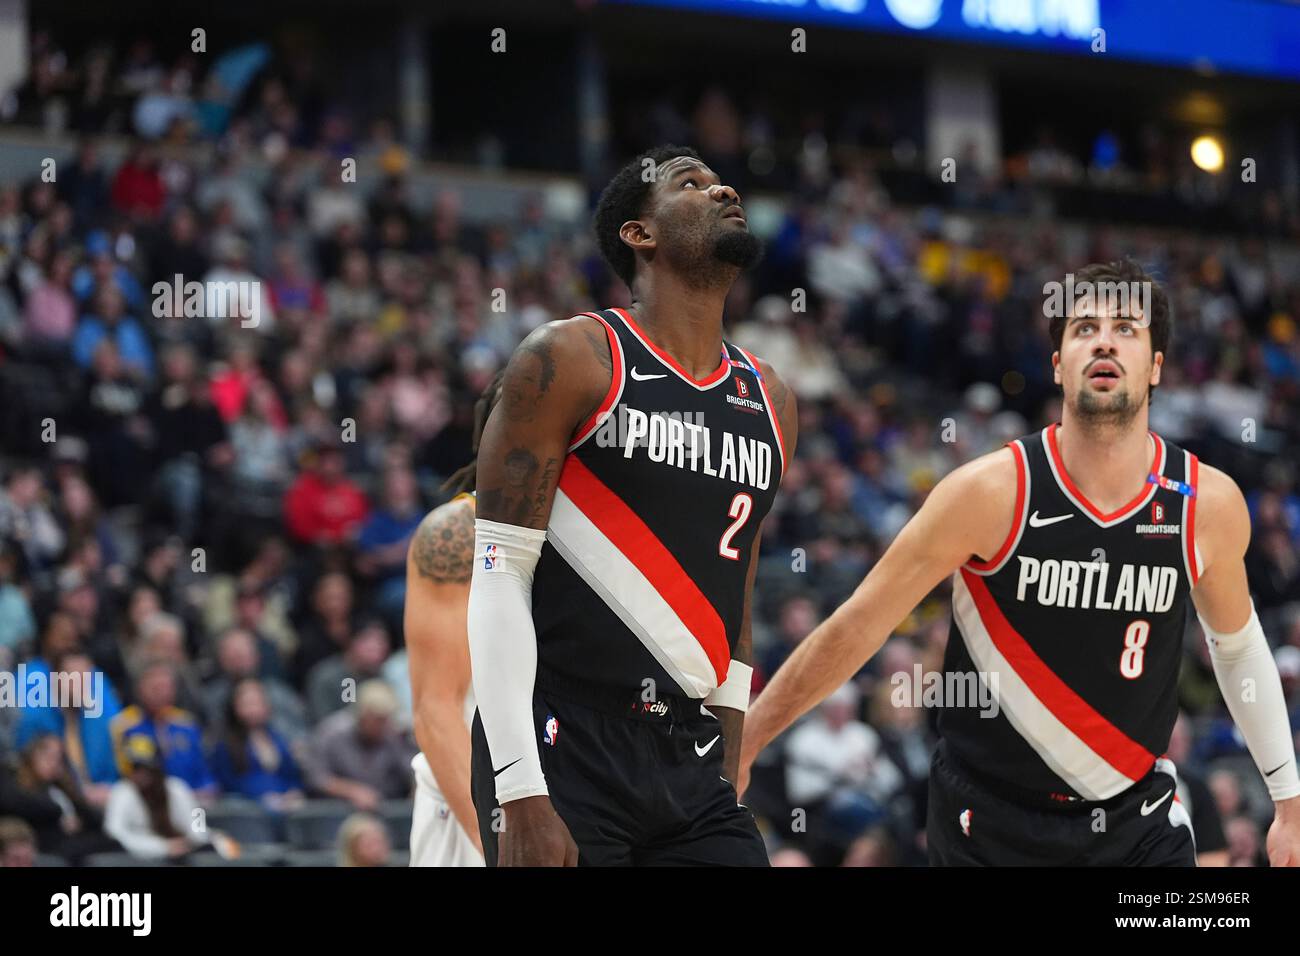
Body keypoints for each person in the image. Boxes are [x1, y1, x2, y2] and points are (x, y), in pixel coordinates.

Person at [739, 259, 1300, 867]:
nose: (1105, 339)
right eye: (1084, 327)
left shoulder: (1204, 503)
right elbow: (860, 624)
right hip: (990, 826)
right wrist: (747, 740)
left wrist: (1289, 802)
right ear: (1057, 364)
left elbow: (1238, 649)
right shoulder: (989, 493)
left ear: (1157, 365)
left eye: (1127, 329)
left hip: (1134, 825)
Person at [468, 145, 797, 866]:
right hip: (562, 740)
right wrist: (520, 792)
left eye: (721, 181)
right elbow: (497, 575)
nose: (722, 189)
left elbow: (733, 609)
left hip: (687, 756)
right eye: (692, 183)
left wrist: (726, 770)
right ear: (638, 235)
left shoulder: (770, 398)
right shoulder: (574, 357)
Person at [402, 374, 503, 867]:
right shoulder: (456, 533)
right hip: (471, 803)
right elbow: (436, 714)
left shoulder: (591, 535)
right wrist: (501, 849)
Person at [103, 734, 212, 861]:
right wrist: (163, 847)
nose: (140, 773)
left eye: (145, 767)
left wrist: (193, 841)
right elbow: (114, 832)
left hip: (182, 853)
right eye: (135, 767)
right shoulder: (122, 792)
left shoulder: (176, 787)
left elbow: (198, 827)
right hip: (138, 860)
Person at [209, 678, 305, 812]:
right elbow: (226, 782)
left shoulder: (278, 738)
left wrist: (293, 791)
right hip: (247, 808)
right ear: (235, 707)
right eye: (247, 704)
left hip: (284, 803)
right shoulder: (224, 744)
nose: (253, 709)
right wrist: (260, 797)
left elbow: (291, 774)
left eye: (257, 703)